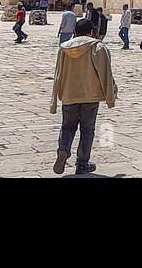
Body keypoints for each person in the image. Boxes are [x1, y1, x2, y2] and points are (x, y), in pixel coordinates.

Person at [51, 22, 117, 176]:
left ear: (75, 31)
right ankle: (82, 164)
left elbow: (57, 73)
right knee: (87, 129)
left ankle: (63, 149)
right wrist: (110, 96)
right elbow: (105, 73)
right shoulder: (98, 48)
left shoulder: (64, 48)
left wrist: (55, 98)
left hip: (68, 94)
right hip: (90, 95)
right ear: (92, 32)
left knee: (67, 127)